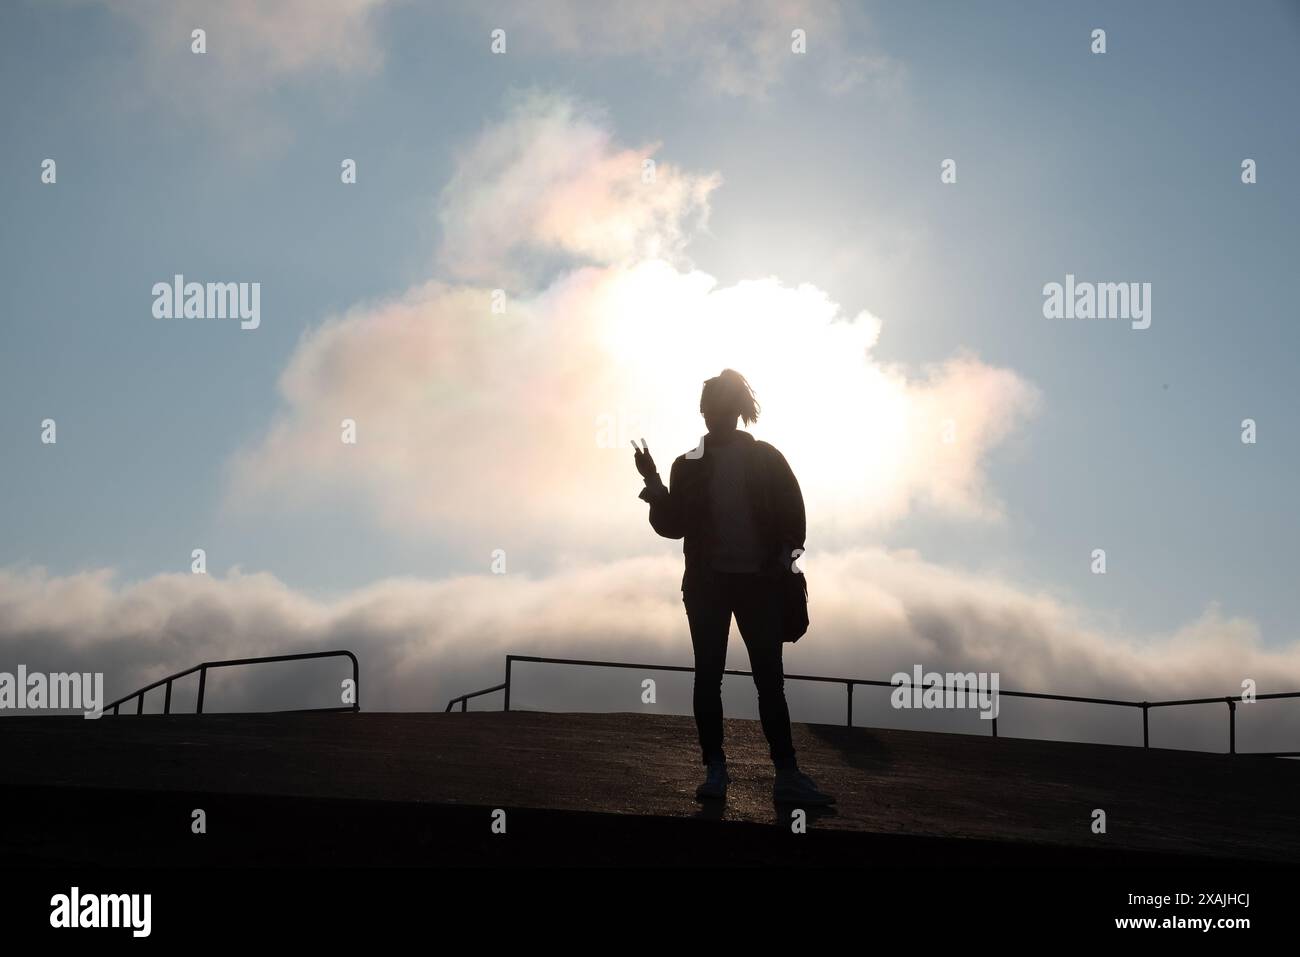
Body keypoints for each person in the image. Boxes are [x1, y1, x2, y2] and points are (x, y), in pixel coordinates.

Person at [632, 369, 834, 805]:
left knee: (759, 680)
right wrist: (653, 484)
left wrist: (781, 562)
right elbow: (675, 525)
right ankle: (741, 770)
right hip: (713, 586)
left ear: (735, 411)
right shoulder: (689, 465)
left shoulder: (761, 459)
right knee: (717, 678)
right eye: (708, 409)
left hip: (752, 584)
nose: (711, 417)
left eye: (717, 408)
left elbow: (792, 520)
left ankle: (772, 772)